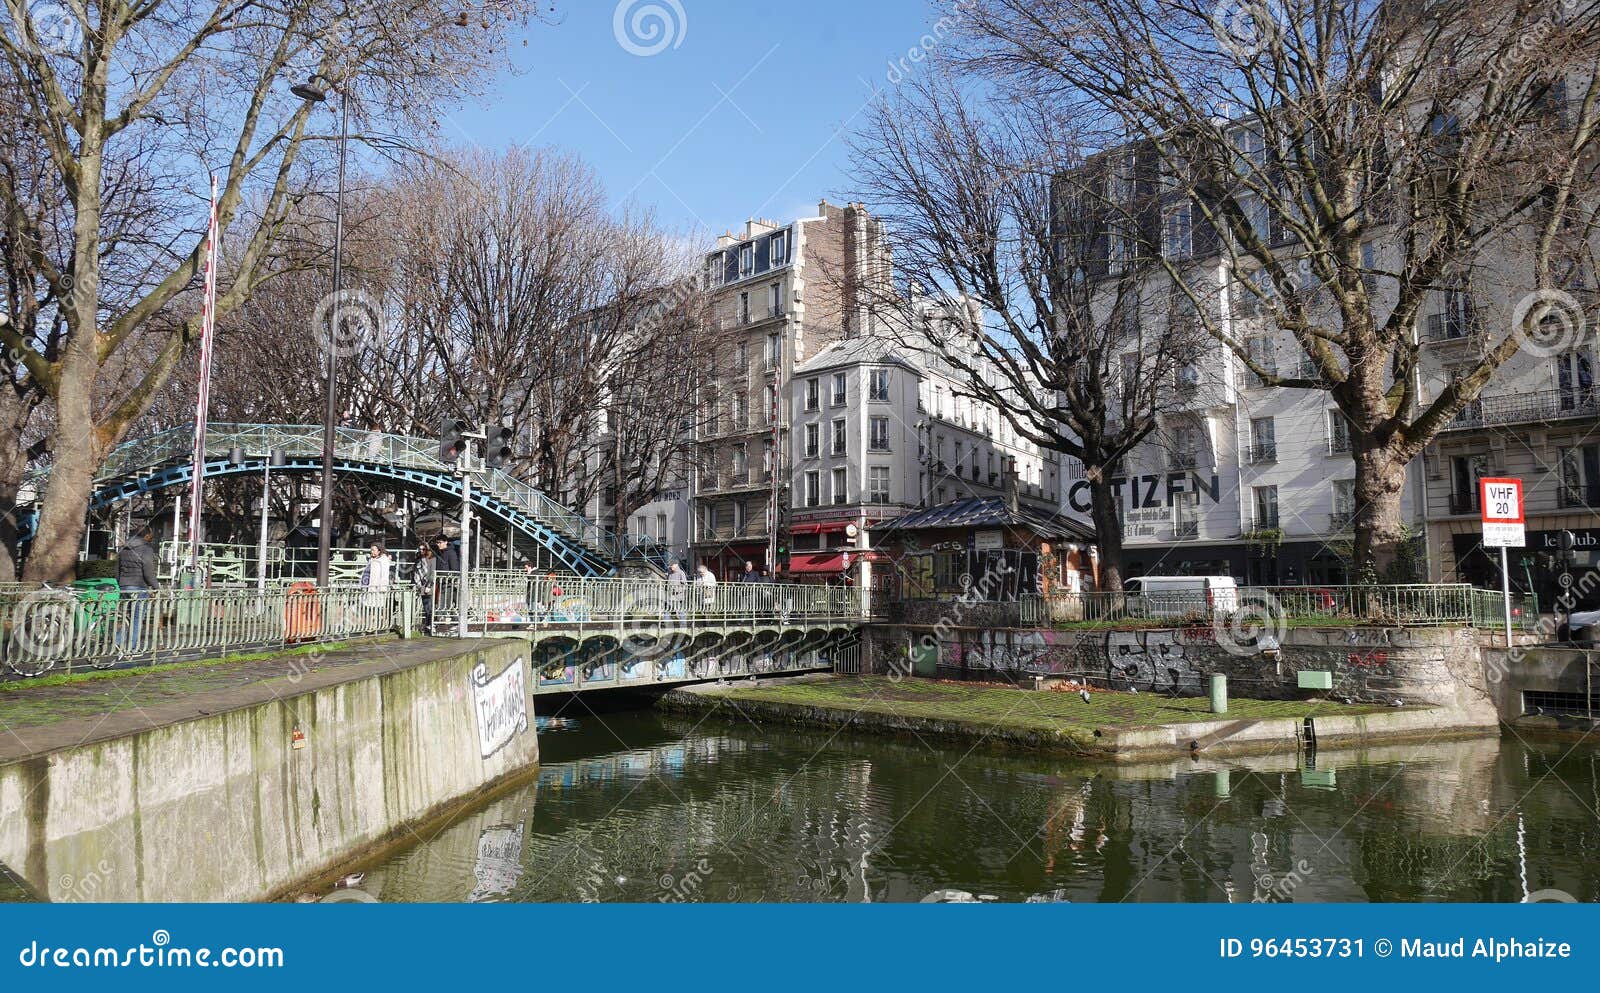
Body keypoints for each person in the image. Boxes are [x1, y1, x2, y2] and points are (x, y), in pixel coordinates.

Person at [115, 525, 160, 650]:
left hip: (124, 586)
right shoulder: (146, 549)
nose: (151, 537)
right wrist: (156, 587)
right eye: (150, 535)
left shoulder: (124, 548)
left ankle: (118, 641)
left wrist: (121, 583)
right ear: (146, 535)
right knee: (137, 618)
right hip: (138, 587)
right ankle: (131, 647)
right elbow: (148, 572)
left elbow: (117, 570)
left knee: (126, 616)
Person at [414, 545, 436, 632]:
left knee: (430, 606)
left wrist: (429, 585)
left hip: (430, 584)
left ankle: (431, 624)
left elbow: (432, 573)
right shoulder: (418, 560)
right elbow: (416, 573)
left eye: (423, 549)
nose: (421, 551)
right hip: (421, 584)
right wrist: (419, 585)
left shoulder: (432, 559)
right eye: (419, 549)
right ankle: (428, 625)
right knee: (426, 607)